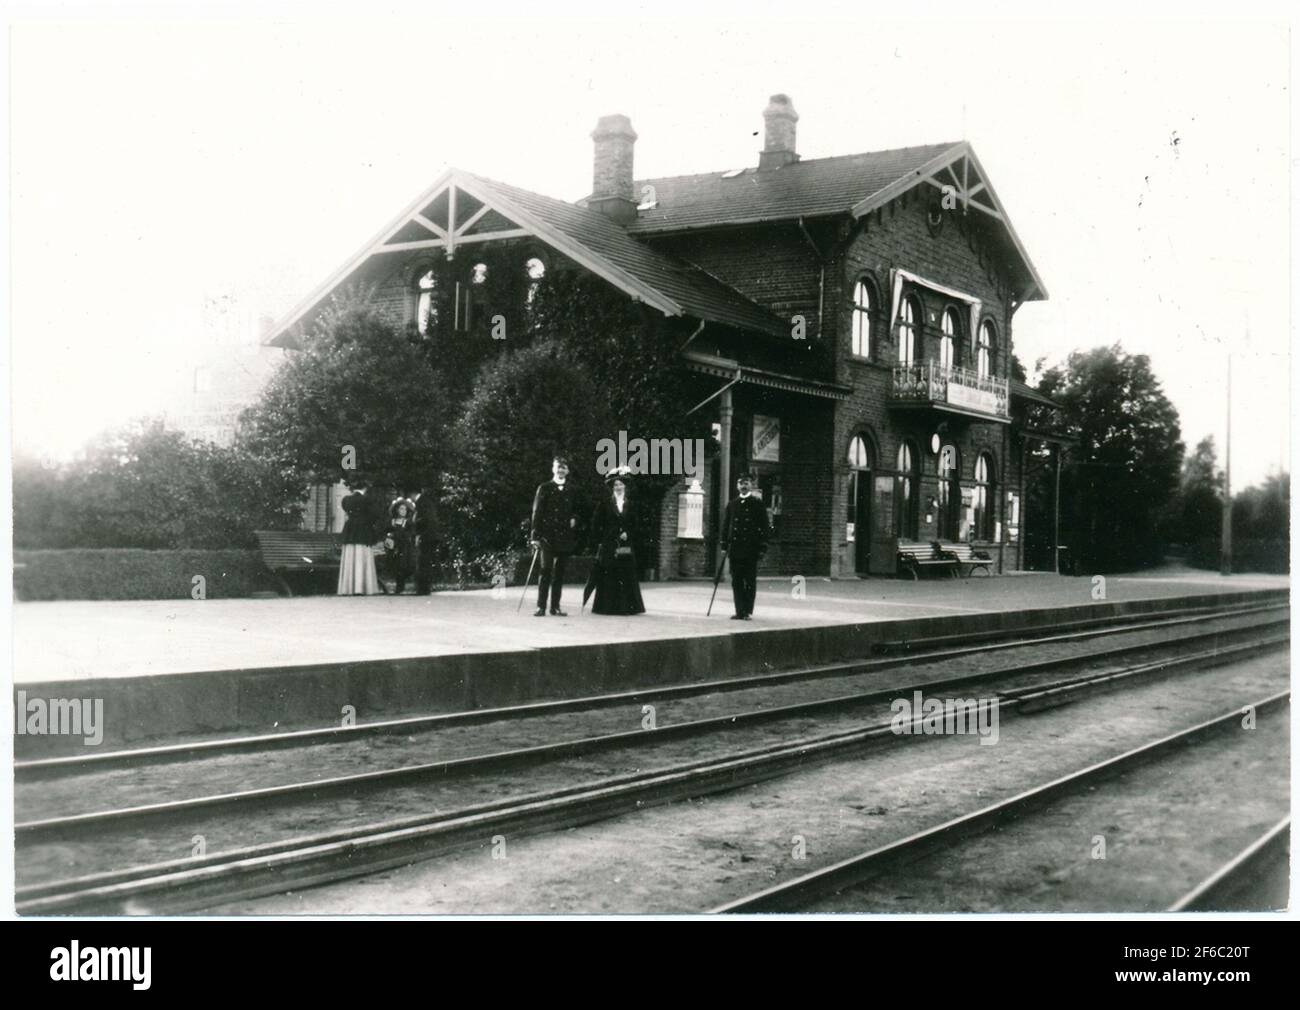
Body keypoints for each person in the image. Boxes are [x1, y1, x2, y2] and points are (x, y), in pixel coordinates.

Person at [587, 470, 645, 616]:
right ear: (612, 488)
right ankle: (606, 607)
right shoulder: (605, 503)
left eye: (620, 484)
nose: (618, 487)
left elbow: (637, 524)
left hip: (625, 545)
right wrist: (604, 537)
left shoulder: (631, 504)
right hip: (609, 544)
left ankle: (628, 607)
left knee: (626, 573)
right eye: (615, 485)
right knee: (609, 573)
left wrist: (628, 533)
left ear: (625, 487)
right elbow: (596, 524)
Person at [529, 456, 578, 616]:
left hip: (564, 536)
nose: (561, 470)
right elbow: (537, 512)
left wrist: (575, 519)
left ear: (568, 471)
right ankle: (541, 606)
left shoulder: (572, 489)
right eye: (558, 467)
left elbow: (579, 509)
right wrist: (535, 535)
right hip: (547, 537)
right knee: (545, 570)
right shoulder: (544, 488)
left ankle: (555, 607)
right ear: (553, 469)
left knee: (559, 573)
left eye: (564, 467)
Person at [720, 472, 770, 620]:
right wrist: (724, 546)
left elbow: (764, 526)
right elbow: (726, 526)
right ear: (737, 486)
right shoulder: (732, 504)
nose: (743, 486)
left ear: (751, 485)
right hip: (735, 549)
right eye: (741, 483)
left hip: (750, 549)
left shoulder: (757, 504)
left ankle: (747, 611)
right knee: (736, 581)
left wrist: (762, 547)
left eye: (746, 483)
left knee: (749, 580)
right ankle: (739, 610)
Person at [338, 481, 381, 596]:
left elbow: (346, 510)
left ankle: (348, 587)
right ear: (365, 488)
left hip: (350, 530)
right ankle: (362, 587)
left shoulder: (346, 499)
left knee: (350, 556)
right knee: (362, 556)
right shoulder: (367, 500)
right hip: (363, 530)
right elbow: (375, 515)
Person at [383, 497, 418, 594]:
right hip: (394, 547)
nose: (403, 511)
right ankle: (399, 586)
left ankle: (407, 585)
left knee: (406, 565)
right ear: (397, 510)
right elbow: (386, 532)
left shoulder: (408, 522)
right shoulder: (392, 522)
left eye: (405, 509)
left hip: (405, 547)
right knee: (396, 566)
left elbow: (411, 533)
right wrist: (389, 536)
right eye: (401, 509)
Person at [411, 486, 440, 595]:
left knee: (423, 562)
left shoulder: (421, 502)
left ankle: (423, 589)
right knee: (425, 562)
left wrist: (419, 534)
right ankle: (424, 588)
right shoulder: (426, 501)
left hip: (426, 536)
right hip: (431, 535)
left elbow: (424, 520)